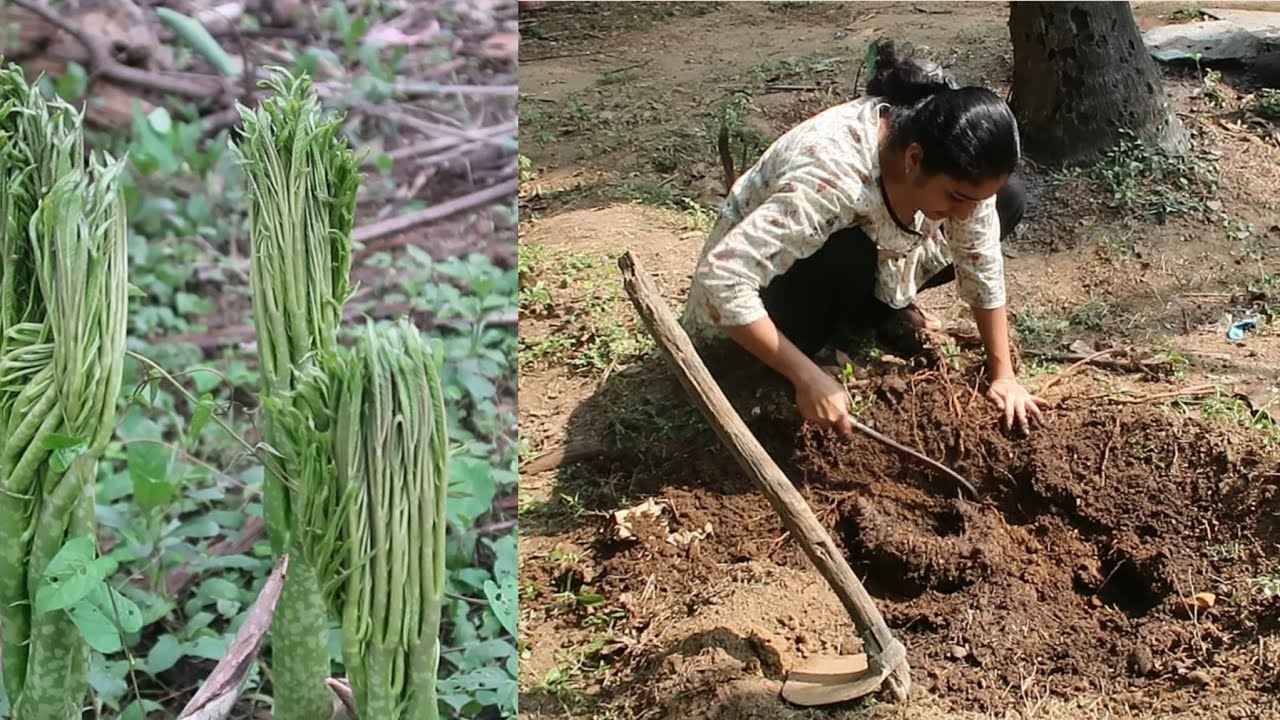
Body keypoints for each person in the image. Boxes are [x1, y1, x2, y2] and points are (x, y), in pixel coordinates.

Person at [682, 40, 1045, 436]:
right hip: (749, 311)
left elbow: (980, 255)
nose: (964, 213)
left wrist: (1003, 374)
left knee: (1006, 202)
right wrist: (805, 376)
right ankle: (803, 347)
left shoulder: (935, 144)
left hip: (863, 261)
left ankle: (871, 312)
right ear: (914, 159)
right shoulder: (831, 178)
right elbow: (721, 280)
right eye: (956, 196)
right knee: (852, 245)